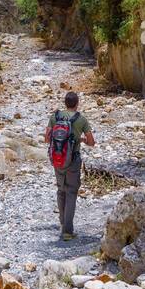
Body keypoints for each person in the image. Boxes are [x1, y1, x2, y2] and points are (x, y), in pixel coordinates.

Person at [44, 91, 95, 241]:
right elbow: (92, 142)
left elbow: (47, 139)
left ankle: (62, 223)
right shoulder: (81, 119)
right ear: (77, 103)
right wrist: (82, 140)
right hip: (73, 159)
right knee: (71, 192)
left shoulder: (55, 117)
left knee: (61, 190)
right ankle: (67, 231)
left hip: (57, 158)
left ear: (65, 103)